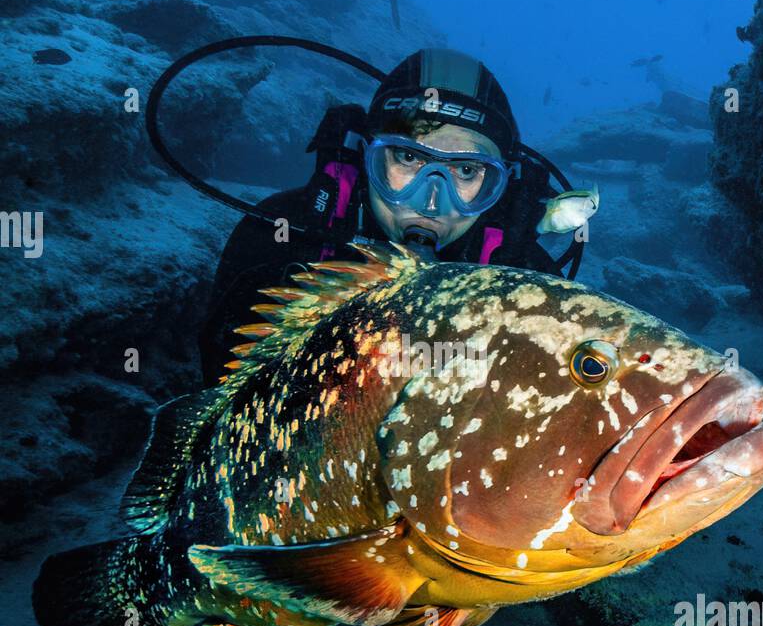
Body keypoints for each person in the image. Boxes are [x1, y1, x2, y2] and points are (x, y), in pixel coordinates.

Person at [199, 47, 589, 385]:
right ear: (369, 158)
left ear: (499, 186)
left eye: (466, 171)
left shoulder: (530, 282)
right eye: (409, 157)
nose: (431, 202)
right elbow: (218, 377)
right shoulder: (280, 231)